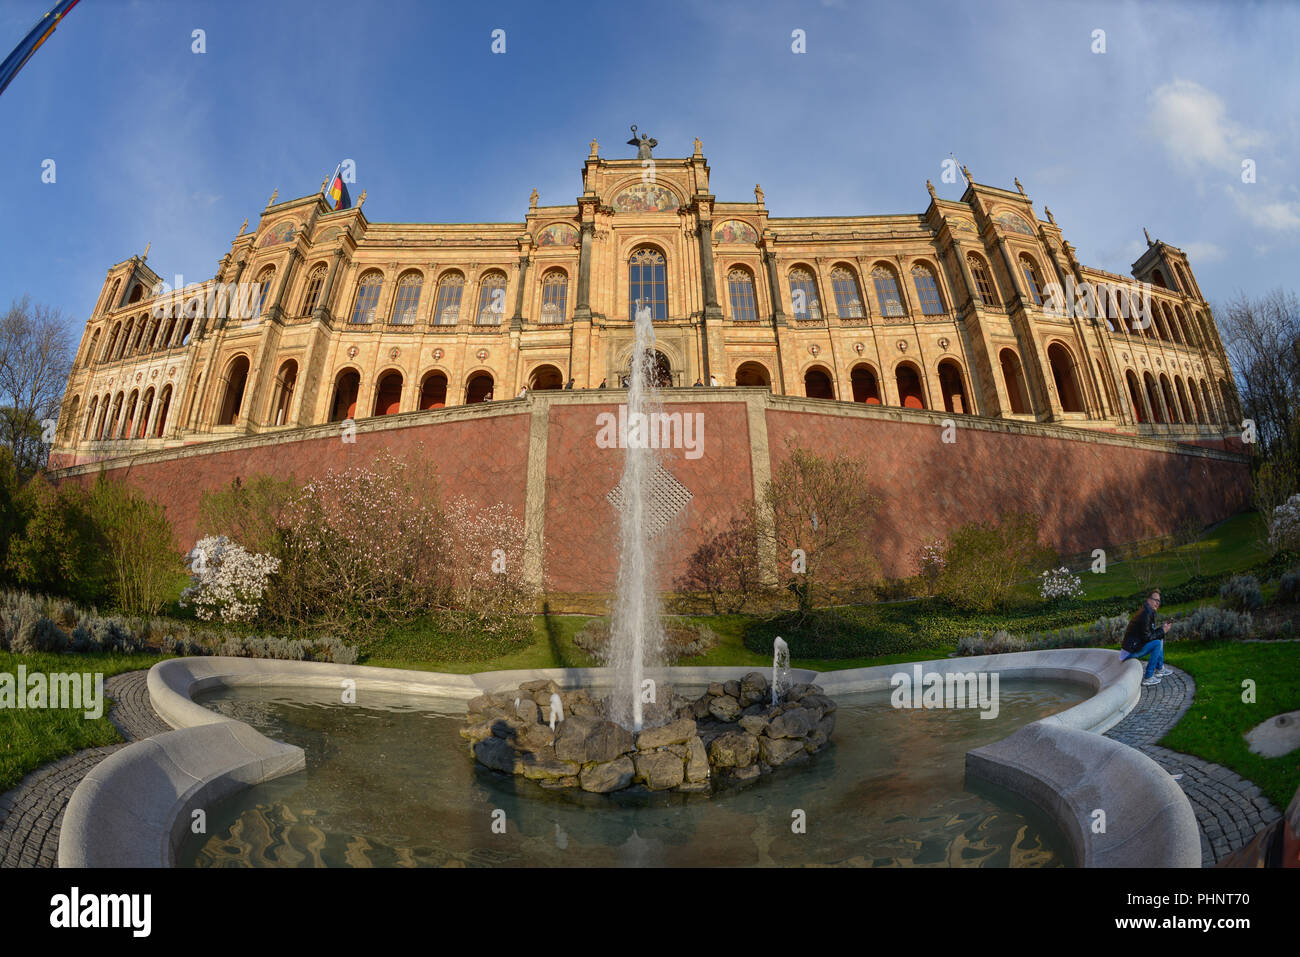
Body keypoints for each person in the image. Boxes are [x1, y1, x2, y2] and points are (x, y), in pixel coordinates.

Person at [1121, 589, 1173, 686]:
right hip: (1129, 652)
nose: (1157, 603)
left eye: (1159, 601)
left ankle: (1160, 669)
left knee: (1159, 638)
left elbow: (1149, 633)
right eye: (1155, 600)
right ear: (1148, 600)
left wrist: (1162, 629)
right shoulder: (1145, 614)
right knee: (1157, 643)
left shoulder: (1147, 611)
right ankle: (1148, 677)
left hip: (1134, 647)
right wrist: (1162, 631)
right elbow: (1147, 638)